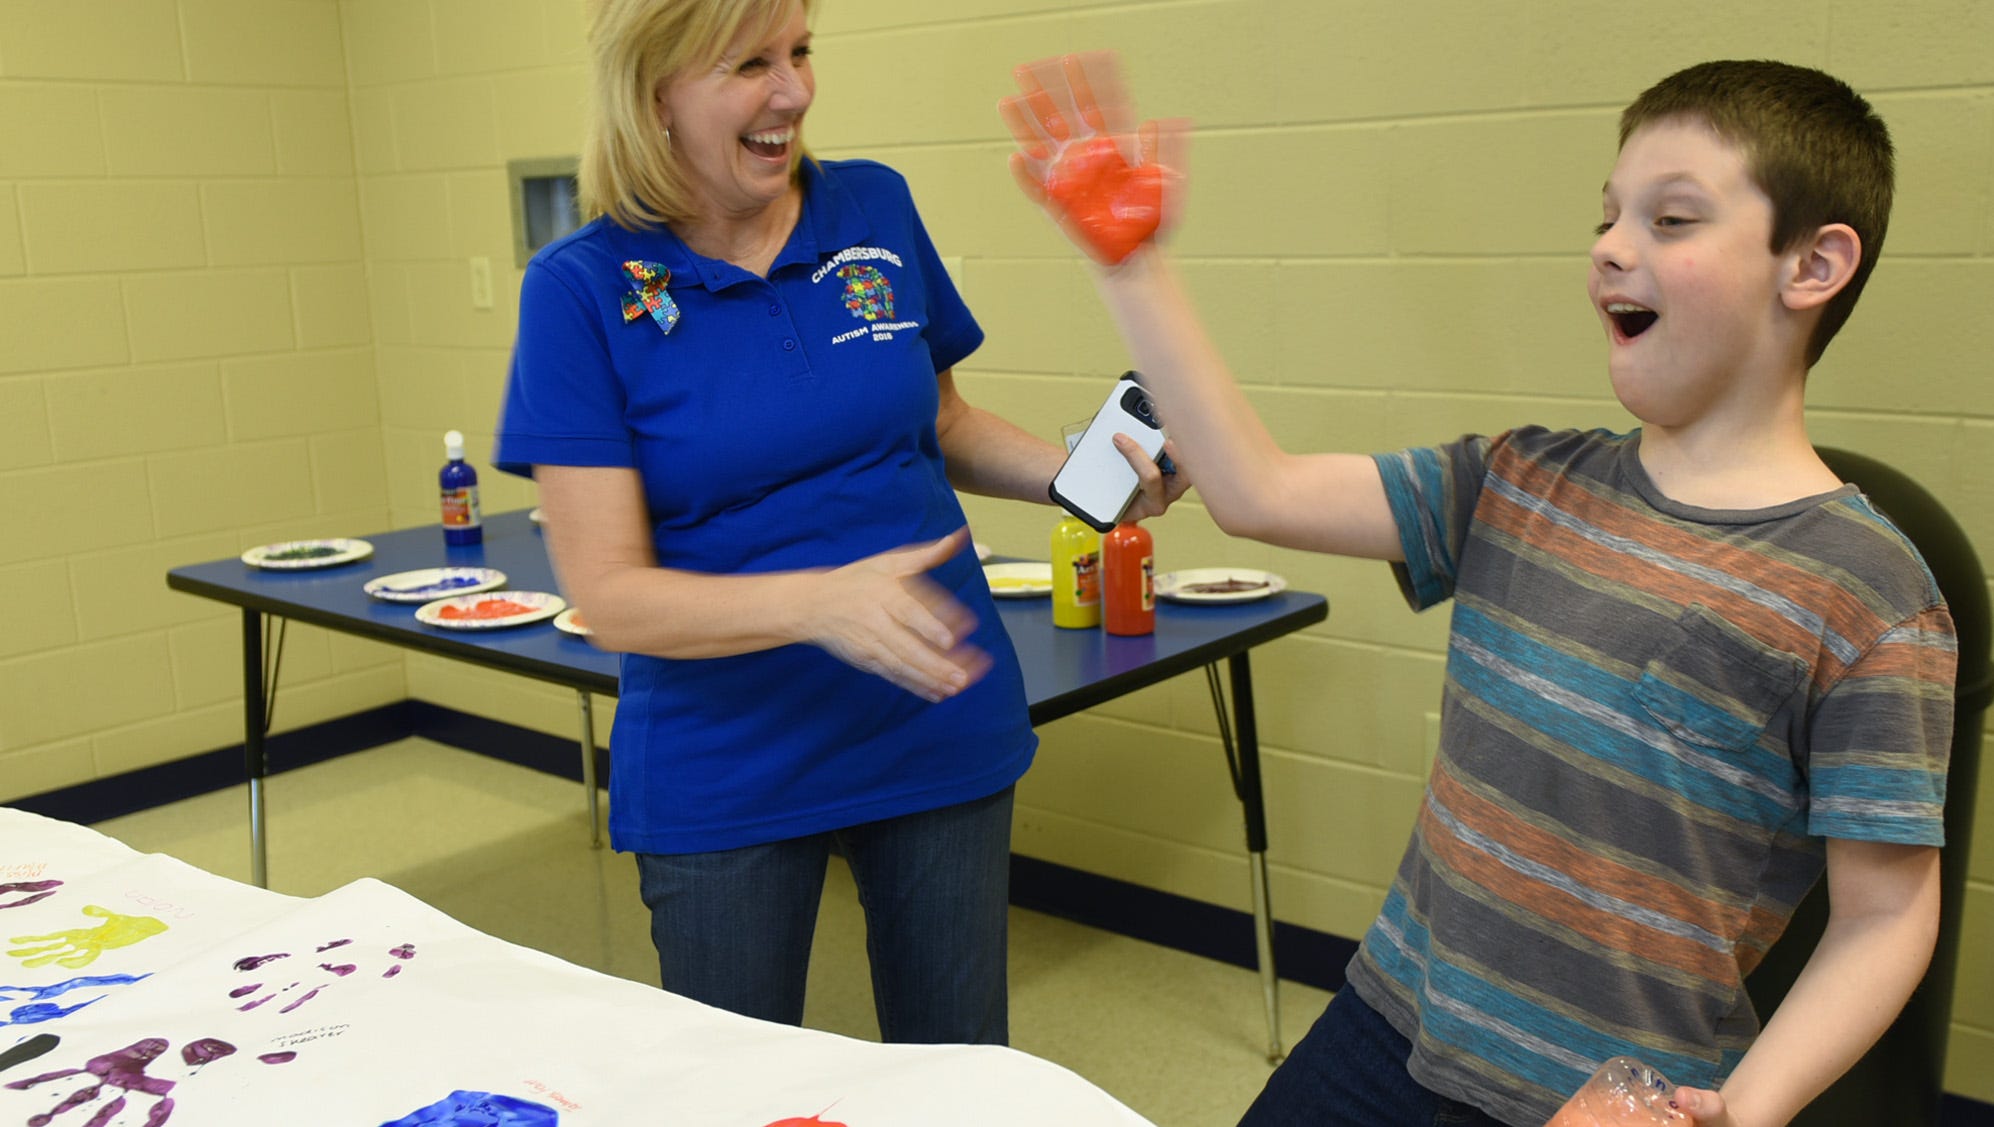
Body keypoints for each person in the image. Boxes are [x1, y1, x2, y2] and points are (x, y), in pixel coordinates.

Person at [1000, 54, 1954, 1127]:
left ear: (1811, 264)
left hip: (1597, 1098)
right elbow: (1255, 490)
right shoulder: (1517, 479)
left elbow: (1885, 914)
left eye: (1670, 219)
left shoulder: (1869, 591)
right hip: (1385, 1023)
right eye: (1605, 216)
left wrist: (1739, 1108)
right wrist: (1131, 267)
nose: (1608, 245)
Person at [492, 0, 1185, 1047]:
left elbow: (937, 416)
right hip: (728, 758)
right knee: (736, 1084)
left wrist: (1085, 481)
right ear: (654, 96)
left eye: (801, 52)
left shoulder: (871, 206)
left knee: (954, 1074)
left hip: (933, 711)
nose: (794, 92)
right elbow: (610, 595)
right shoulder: (579, 290)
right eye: (750, 64)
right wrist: (817, 602)